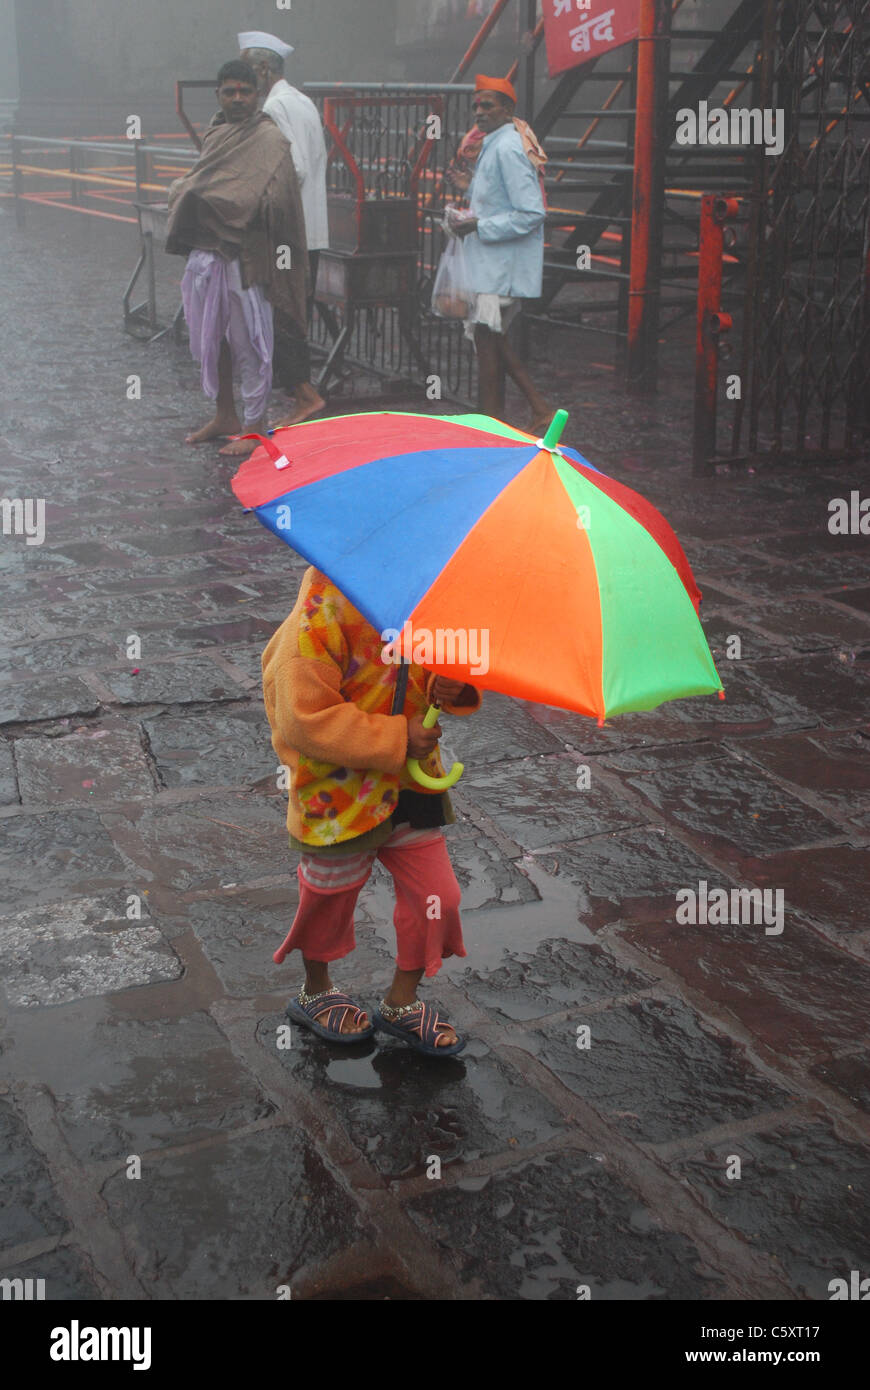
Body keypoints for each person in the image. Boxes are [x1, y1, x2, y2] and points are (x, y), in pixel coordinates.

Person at [262, 567, 482, 1054]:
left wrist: (450, 686)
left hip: (410, 789)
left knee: (438, 897)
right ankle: (315, 990)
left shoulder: (419, 595)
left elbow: (429, 671)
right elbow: (303, 718)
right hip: (338, 795)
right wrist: (398, 738)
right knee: (329, 898)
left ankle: (402, 1002)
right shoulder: (317, 617)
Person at [165, 60, 308, 455]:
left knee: (250, 342)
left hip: (247, 256)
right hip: (209, 255)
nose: (238, 98)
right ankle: (224, 414)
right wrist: (190, 193)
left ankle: (254, 426)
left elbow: (277, 200)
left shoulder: (270, 140)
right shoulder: (216, 135)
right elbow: (202, 181)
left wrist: (219, 201)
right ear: (218, 96)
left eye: (246, 91)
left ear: (257, 94)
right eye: (230, 91)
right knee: (215, 340)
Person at [450, 75, 556, 436]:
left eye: (487, 106)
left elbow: (531, 213)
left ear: (507, 110)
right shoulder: (496, 144)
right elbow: (498, 198)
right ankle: (511, 417)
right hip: (491, 267)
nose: (479, 112)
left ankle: (496, 422)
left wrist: (479, 226)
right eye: (476, 105)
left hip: (501, 268)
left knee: (488, 337)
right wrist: (469, 189)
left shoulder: (508, 147)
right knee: (489, 338)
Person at [239, 30, 329, 427]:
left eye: (247, 72)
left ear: (262, 68)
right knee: (295, 309)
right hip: (311, 227)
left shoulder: (275, 107)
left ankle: (305, 395)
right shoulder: (302, 100)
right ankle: (301, 392)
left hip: (290, 230)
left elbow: (294, 166)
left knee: (284, 310)